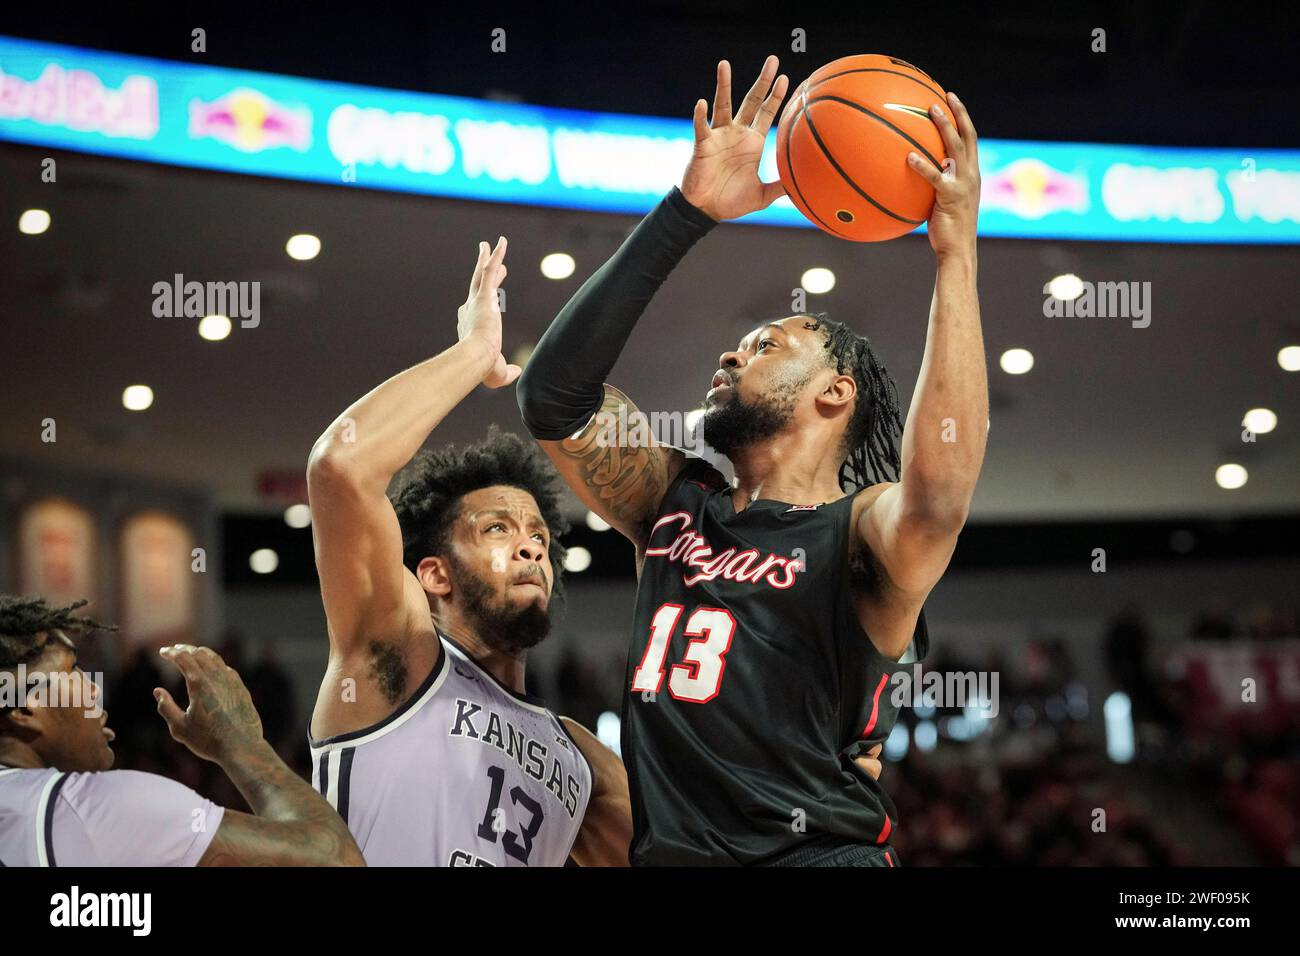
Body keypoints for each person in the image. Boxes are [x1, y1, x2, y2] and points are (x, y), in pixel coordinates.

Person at [517, 54, 986, 865]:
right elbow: (552, 398)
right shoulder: (675, 502)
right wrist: (685, 213)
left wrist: (955, 255)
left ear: (835, 394)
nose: (730, 360)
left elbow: (937, 497)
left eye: (767, 346)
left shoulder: (859, 535)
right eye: (735, 348)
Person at [306, 238, 630, 866]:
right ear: (433, 574)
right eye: (498, 531)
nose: (531, 548)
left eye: (538, 536)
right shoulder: (398, 655)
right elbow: (341, 466)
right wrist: (475, 353)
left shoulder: (579, 757)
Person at [0, 595, 363, 866]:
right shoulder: (98, 807)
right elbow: (336, 859)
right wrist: (242, 744)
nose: (93, 688)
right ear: (23, 709)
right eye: (72, 672)